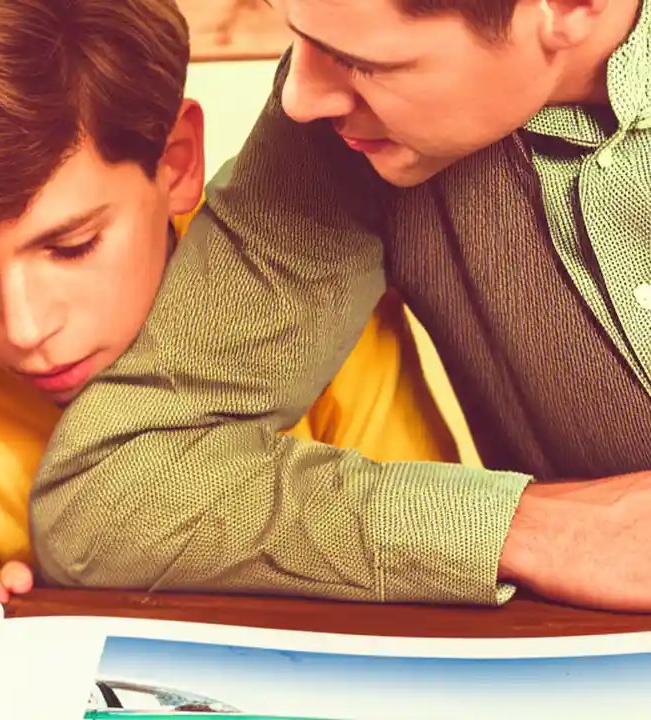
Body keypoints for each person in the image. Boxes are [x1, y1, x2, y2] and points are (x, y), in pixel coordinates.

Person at [0, 0, 458, 600]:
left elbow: (434, 549)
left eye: (73, 246)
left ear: (176, 163)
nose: (25, 328)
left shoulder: (313, 289)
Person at [32, 0, 651, 611]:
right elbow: (107, 492)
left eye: (364, 63)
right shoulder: (336, 132)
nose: (299, 97)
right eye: (295, 31)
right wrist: (525, 528)